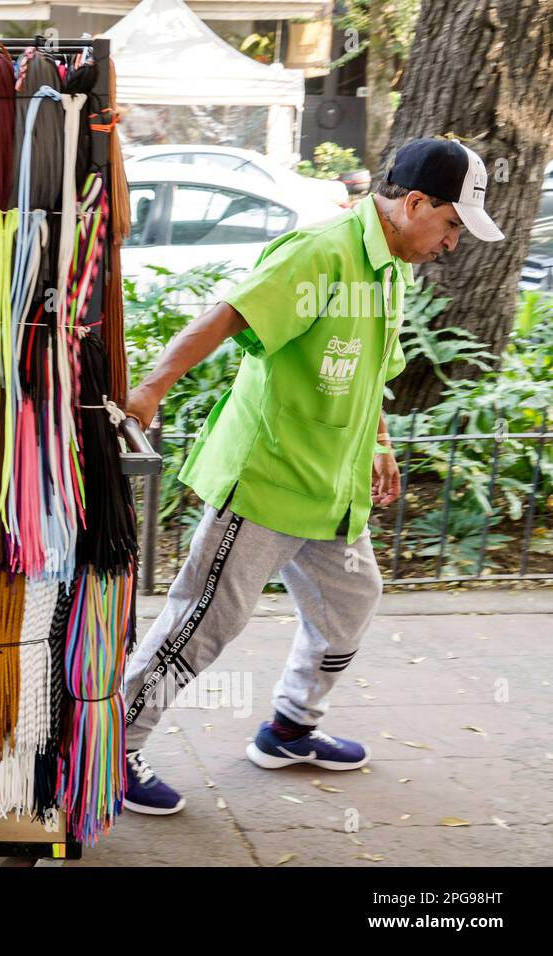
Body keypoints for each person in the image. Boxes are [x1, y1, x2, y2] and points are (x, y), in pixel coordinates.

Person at [118, 138, 505, 815]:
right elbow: (229, 314)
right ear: (415, 202)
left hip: (333, 487)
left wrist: (379, 442)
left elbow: (370, 367)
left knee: (351, 602)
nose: (452, 243)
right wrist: (151, 390)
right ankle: (109, 749)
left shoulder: (392, 267)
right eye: (450, 225)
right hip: (269, 478)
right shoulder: (321, 251)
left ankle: (291, 727)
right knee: (202, 621)